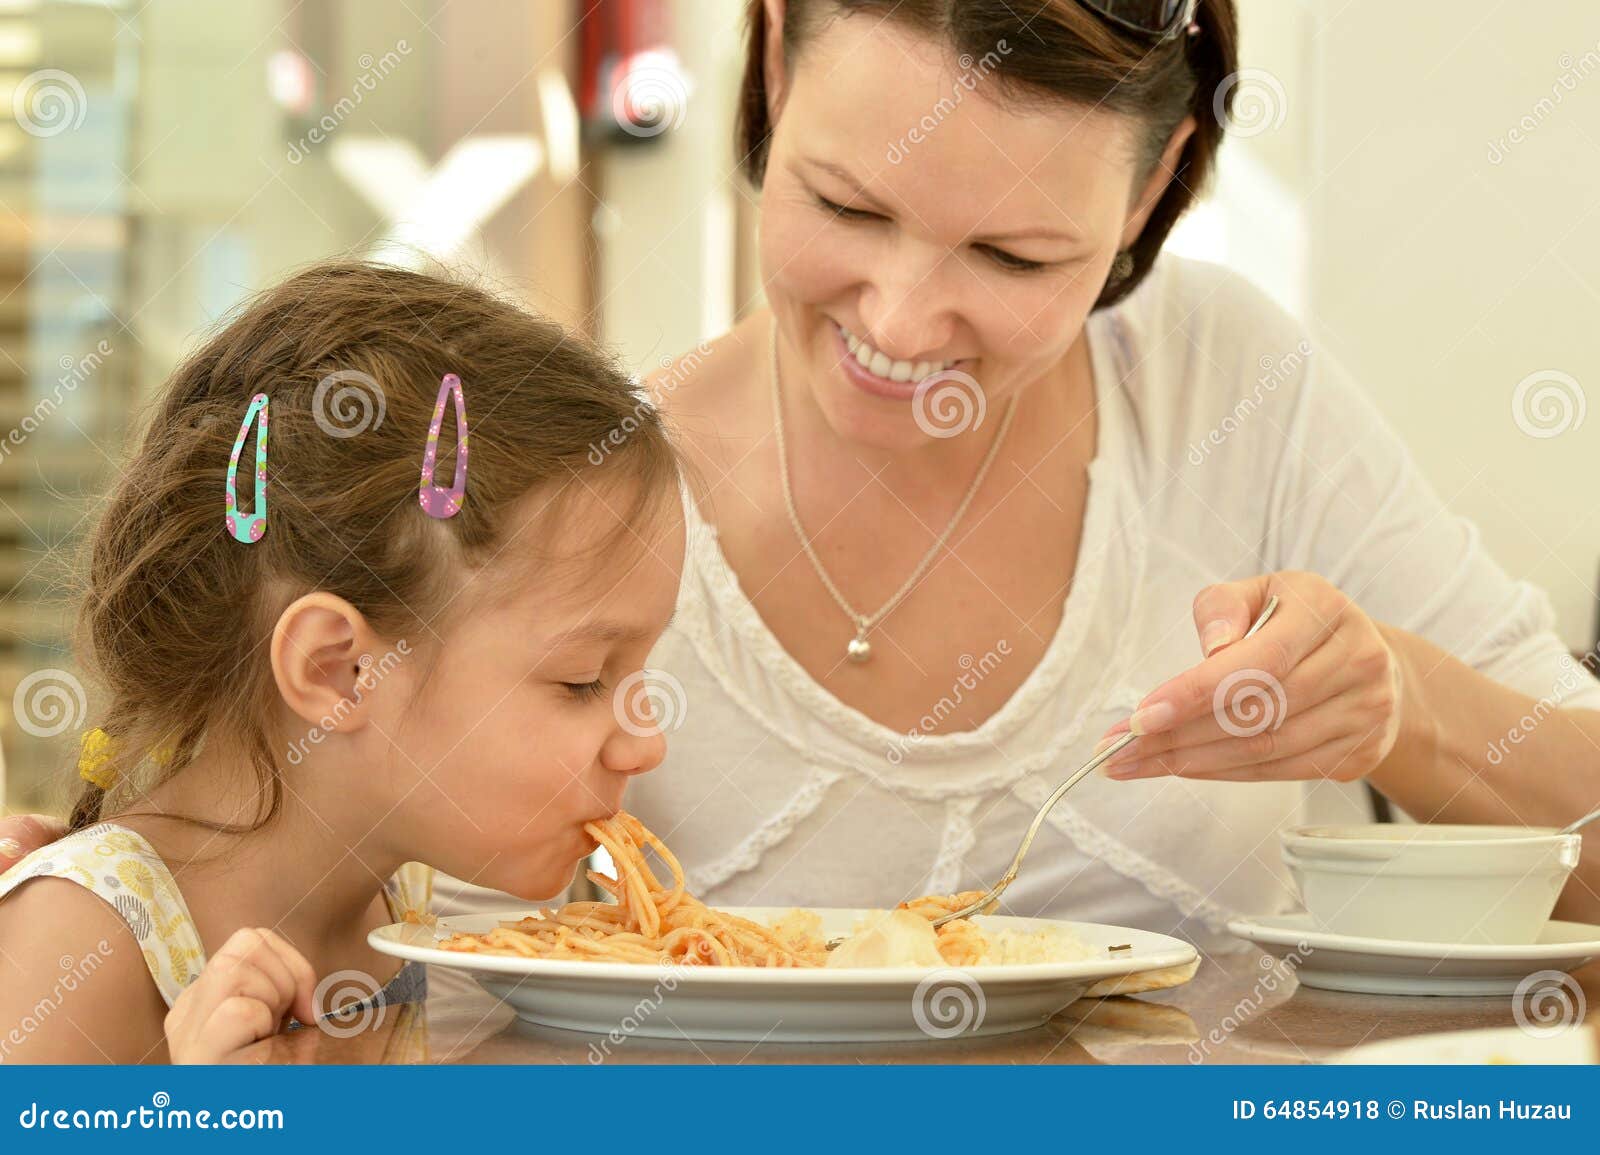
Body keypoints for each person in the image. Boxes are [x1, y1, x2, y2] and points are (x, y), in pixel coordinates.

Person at [0, 263, 683, 1062]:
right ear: (338, 671)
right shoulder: (72, 947)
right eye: (583, 680)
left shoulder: (443, 922)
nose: (646, 742)